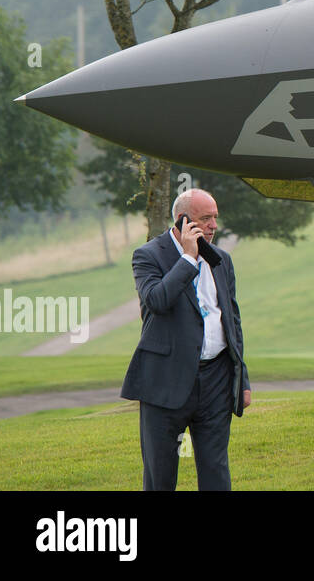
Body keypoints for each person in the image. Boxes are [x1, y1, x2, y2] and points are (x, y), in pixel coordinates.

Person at [121, 189, 251, 490]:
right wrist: (189, 260)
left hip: (216, 378)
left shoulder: (222, 260)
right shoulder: (148, 255)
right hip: (165, 380)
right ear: (183, 222)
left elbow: (232, 320)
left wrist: (241, 379)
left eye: (215, 218)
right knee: (160, 475)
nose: (213, 226)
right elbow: (157, 300)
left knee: (216, 470)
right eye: (205, 219)